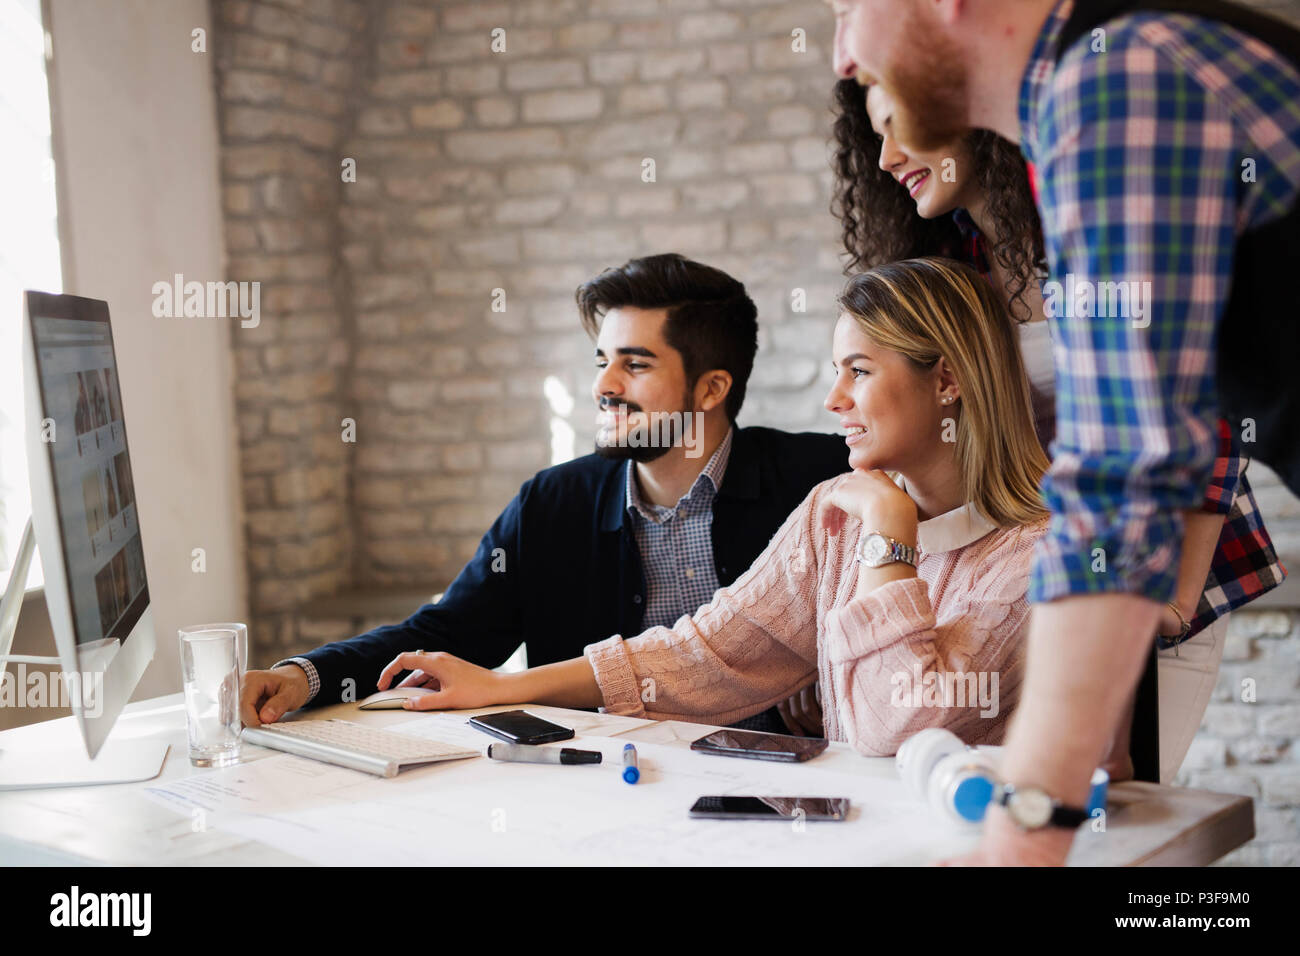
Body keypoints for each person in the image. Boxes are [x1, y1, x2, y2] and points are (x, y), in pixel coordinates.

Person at [827, 0, 1300, 864]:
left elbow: (1127, 470)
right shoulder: (1100, 87)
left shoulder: (1119, 80)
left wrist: (1027, 829)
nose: (843, 52)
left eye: (847, 8)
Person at [372, 259, 1051, 759]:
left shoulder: (1040, 556)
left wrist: (889, 536)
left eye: (860, 372)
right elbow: (709, 653)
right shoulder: (836, 512)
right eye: (836, 370)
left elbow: (895, 729)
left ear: (949, 381)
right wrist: (498, 688)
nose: (833, 399)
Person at [240, 253, 849, 732]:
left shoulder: (819, 480)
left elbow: (915, 600)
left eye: (634, 366)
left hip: (777, 794)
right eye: (600, 361)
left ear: (711, 389)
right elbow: (448, 632)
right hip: (595, 797)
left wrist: (829, 663)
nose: (603, 387)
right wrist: (305, 677)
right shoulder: (553, 503)